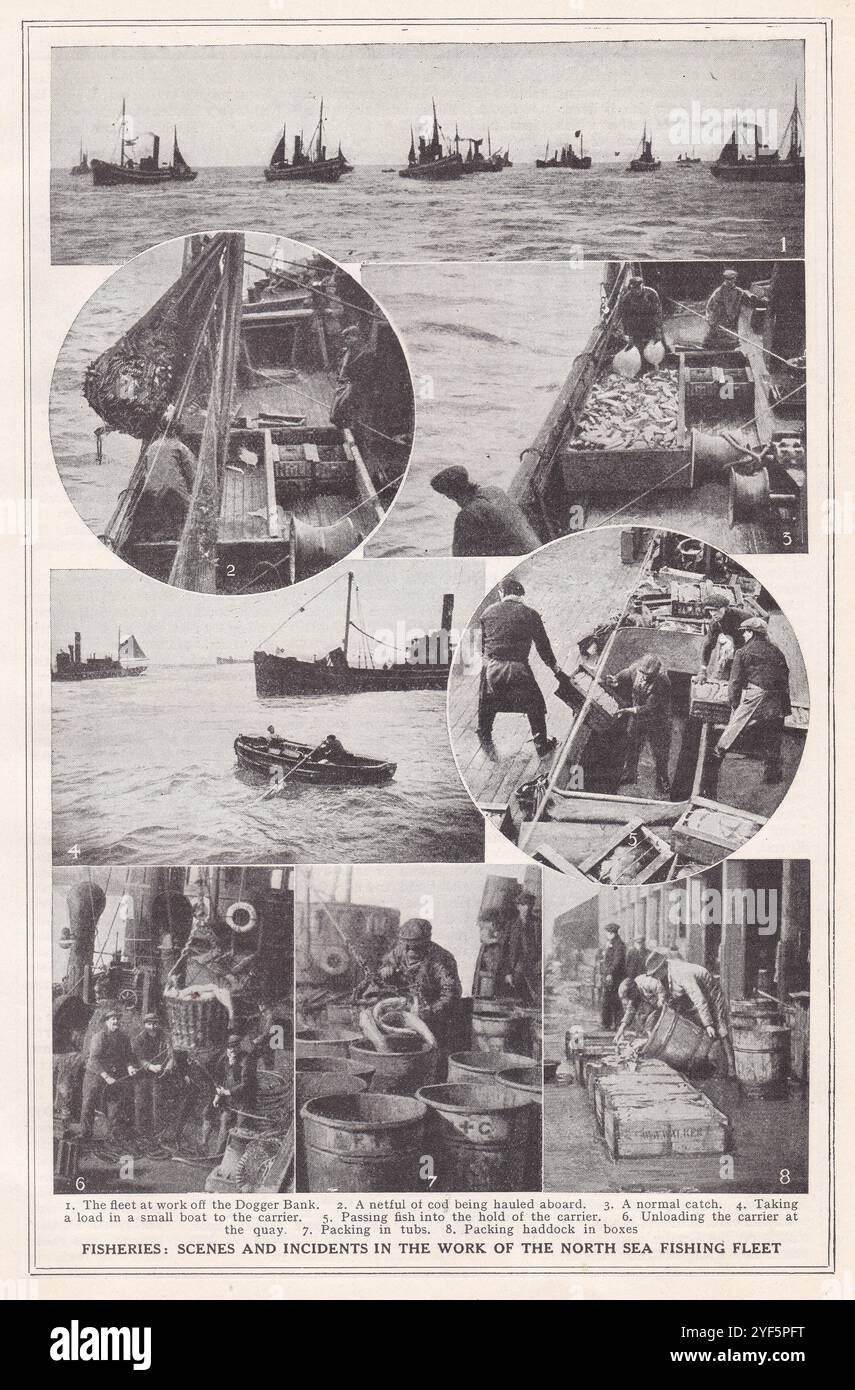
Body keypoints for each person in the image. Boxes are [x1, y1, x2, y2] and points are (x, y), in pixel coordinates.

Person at [478, 577, 563, 758]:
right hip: (518, 671)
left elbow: (483, 649)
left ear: (502, 594)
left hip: (493, 669)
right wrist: (555, 668)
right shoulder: (530, 614)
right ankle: (541, 744)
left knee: (486, 698)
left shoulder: (486, 613)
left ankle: (484, 733)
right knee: (536, 704)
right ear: (520, 594)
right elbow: (543, 647)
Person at [713, 617, 791, 783]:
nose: (743, 636)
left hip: (757, 696)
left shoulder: (743, 652)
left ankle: (715, 759)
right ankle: (772, 776)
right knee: (773, 736)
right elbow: (785, 674)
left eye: (745, 632)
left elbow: (735, 682)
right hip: (778, 697)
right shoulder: (777, 651)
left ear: (751, 633)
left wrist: (735, 705)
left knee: (733, 728)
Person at [646, 949, 736, 1077]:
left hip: (711, 993)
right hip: (692, 995)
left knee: (719, 1027)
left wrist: (708, 1024)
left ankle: (731, 1065)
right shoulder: (665, 973)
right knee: (691, 1021)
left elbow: (699, 999)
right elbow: (669, 994)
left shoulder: (681, 973)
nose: (654, 977)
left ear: (662, 967)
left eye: (655, 974)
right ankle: (703, 1061)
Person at [378, 918, 462, 1046]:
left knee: (429, 1045)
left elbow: (451, 993)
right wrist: (386, 970)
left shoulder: (441, 959)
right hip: (405, 1006)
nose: (411, 950)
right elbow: (385, 966)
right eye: (408, 945)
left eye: (416, 946)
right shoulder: (400, 951)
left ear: (426, 942)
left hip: (434, 1015)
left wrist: (431, 1011)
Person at [430, 466, 540, 558]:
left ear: (450, 495)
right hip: (535, 549)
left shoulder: (466, 515)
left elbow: (460, 558)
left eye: (446, 495)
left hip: (520, 560)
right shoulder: (495, 491)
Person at [604, 654, 673, 796]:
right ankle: (630, 773)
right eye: (643, 674)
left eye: (649, 675)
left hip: (658, 722)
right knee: (632, 744)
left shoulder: (662, 682)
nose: (645, 677)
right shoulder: (637, 669)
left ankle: (662, 779)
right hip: (637, 719)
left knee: (660, 752)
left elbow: (649, 707)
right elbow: (627, 674)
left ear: (656, 673)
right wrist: (616, 678)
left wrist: (629, 710)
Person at [79, 1012, 137, 1145]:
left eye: (117, 1019)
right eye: (112, 1019)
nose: (116, 1021)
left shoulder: (124, 1038)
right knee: (89, 1104)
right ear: (106, 1022)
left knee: (114, 1106)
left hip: (114, 1077)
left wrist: (130, 1067)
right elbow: (94, 1060)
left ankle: (113, 1137)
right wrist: (105, 1076)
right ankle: (85, 1134)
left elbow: (128, 1057)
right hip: (95, 1075)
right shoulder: (99, 1037)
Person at [201, 1035, 258, 1157]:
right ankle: (217, 1156)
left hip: (244, 1101)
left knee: (240, 1130)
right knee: (224, 1122)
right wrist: (218, 1094)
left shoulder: (246, 1060)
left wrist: (228, 1092)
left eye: (234, 1047)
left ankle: (235, 1157)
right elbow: (222, 1079)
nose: (231, 1050)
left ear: (239, 1047)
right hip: (230, 1100)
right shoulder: (226, 1058)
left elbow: (246, 1084)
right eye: (229, 1048)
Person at [132, 1013, 171, 1146]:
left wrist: (168, 1065)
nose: (152, 1026)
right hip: (142, 1076)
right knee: (142, 1105)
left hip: (159, 1076)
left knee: (158, 1105)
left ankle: (157, 1136)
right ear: (145, 1025)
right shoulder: (139, 1039)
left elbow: (171, 1053)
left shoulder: (164, 1036)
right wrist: (150, 1066)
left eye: (155, 1023)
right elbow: (138, 1058)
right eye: (149, 1024)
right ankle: (140, 1136)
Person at [330, 324, 375, 429]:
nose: (347, 341)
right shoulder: (344, 352)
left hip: (355, 385)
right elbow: (338, 367)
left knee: (343, 410)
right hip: (343, 384)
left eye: (350, 338)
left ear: (357, 337)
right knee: (336, 413)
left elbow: (366, 374)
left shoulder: (364, 354)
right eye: (346, 338)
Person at [618, 274, 665, 372]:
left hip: (651, 323)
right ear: (631, 288)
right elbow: (625, 318)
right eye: (634, 289)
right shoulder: (626, 298)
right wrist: (628, 335)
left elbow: (658, 313)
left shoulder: (651, 293)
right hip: (636, 325)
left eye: (638, 288)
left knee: (657, 344)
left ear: (642, 286)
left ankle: (660, 364)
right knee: (638, 346)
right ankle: (642, 368)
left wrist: (658, 330)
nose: (636, 291)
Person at [704, 268, 759, 350]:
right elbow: (709, 307)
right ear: (725, 279)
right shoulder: (718, 292)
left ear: (735, 279)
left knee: (731, 344)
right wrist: (710, 320)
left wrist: (753, 297)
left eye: (732, 279)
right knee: (712, 344)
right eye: (728, 279)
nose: (730, 281)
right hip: (719, 323)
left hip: (732, 325)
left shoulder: (738, 292)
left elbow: (748, 296)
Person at [700, 604, 752, 680]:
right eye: (711, 610)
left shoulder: (743, 617)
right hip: (735, 644)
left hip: (750, 642)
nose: (713, 613)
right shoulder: (715, 623)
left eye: (716, 610)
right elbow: (708, 645)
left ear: (725, 608)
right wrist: (702, 671)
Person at [614, 973, 667, 1043]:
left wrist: (661, 1000)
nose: (630, 1000)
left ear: (633, 990)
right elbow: (630, 1011)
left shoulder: (647, 982)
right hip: (652, 1006)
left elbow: (660, 991)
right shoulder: (634, 996)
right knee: (643, 1020)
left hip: (664, 1004)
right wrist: (620, 1030)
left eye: (629, 997)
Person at [600, 924, 627, 1031]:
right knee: (609, 999)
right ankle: (608, 1023)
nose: (606, 935)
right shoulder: (612, 943)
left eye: (607, 933)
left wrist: (610, 973)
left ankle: (615, 1024)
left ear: (612, 933)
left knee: (613, 1000)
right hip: (610, 976)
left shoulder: (619, 945)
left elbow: (617, 961)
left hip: (615, 977)